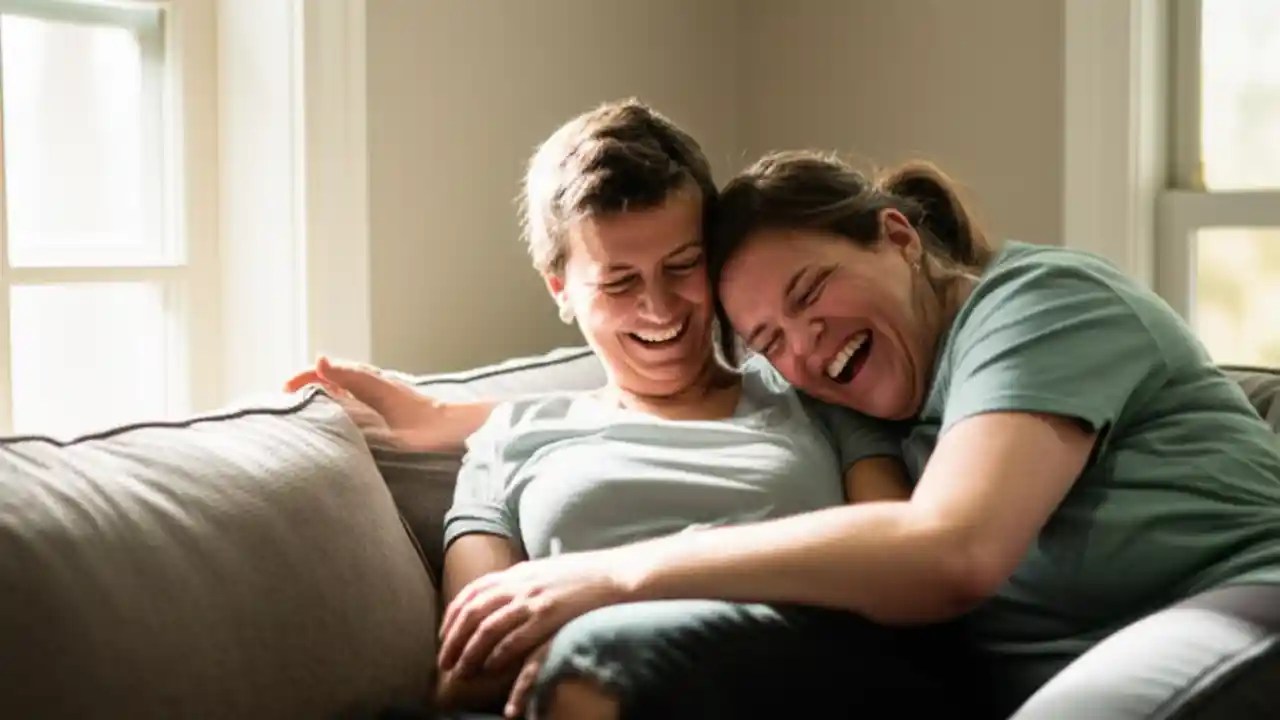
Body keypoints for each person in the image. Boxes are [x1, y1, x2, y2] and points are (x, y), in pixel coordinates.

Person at [424, 150, 1280, 719]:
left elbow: (952, 550)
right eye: (769, 339)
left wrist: (612, 573)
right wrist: (458, 416)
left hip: (1238, 604)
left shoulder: (1039, 302)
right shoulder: (856, 398)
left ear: (898, 237)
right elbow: (653, 379)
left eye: (810, 293)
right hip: (1046, 671)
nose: (807, 348)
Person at [291, 103, 965, 719]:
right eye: (619, 281)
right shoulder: (508, 442)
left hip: (796, 674)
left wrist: (612, 592)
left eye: (683, 266)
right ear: (560, 288)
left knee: (598, 667)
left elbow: (898, 573)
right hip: (598, 686)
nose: (661, 308)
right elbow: (471, 668)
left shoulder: (804, 389)